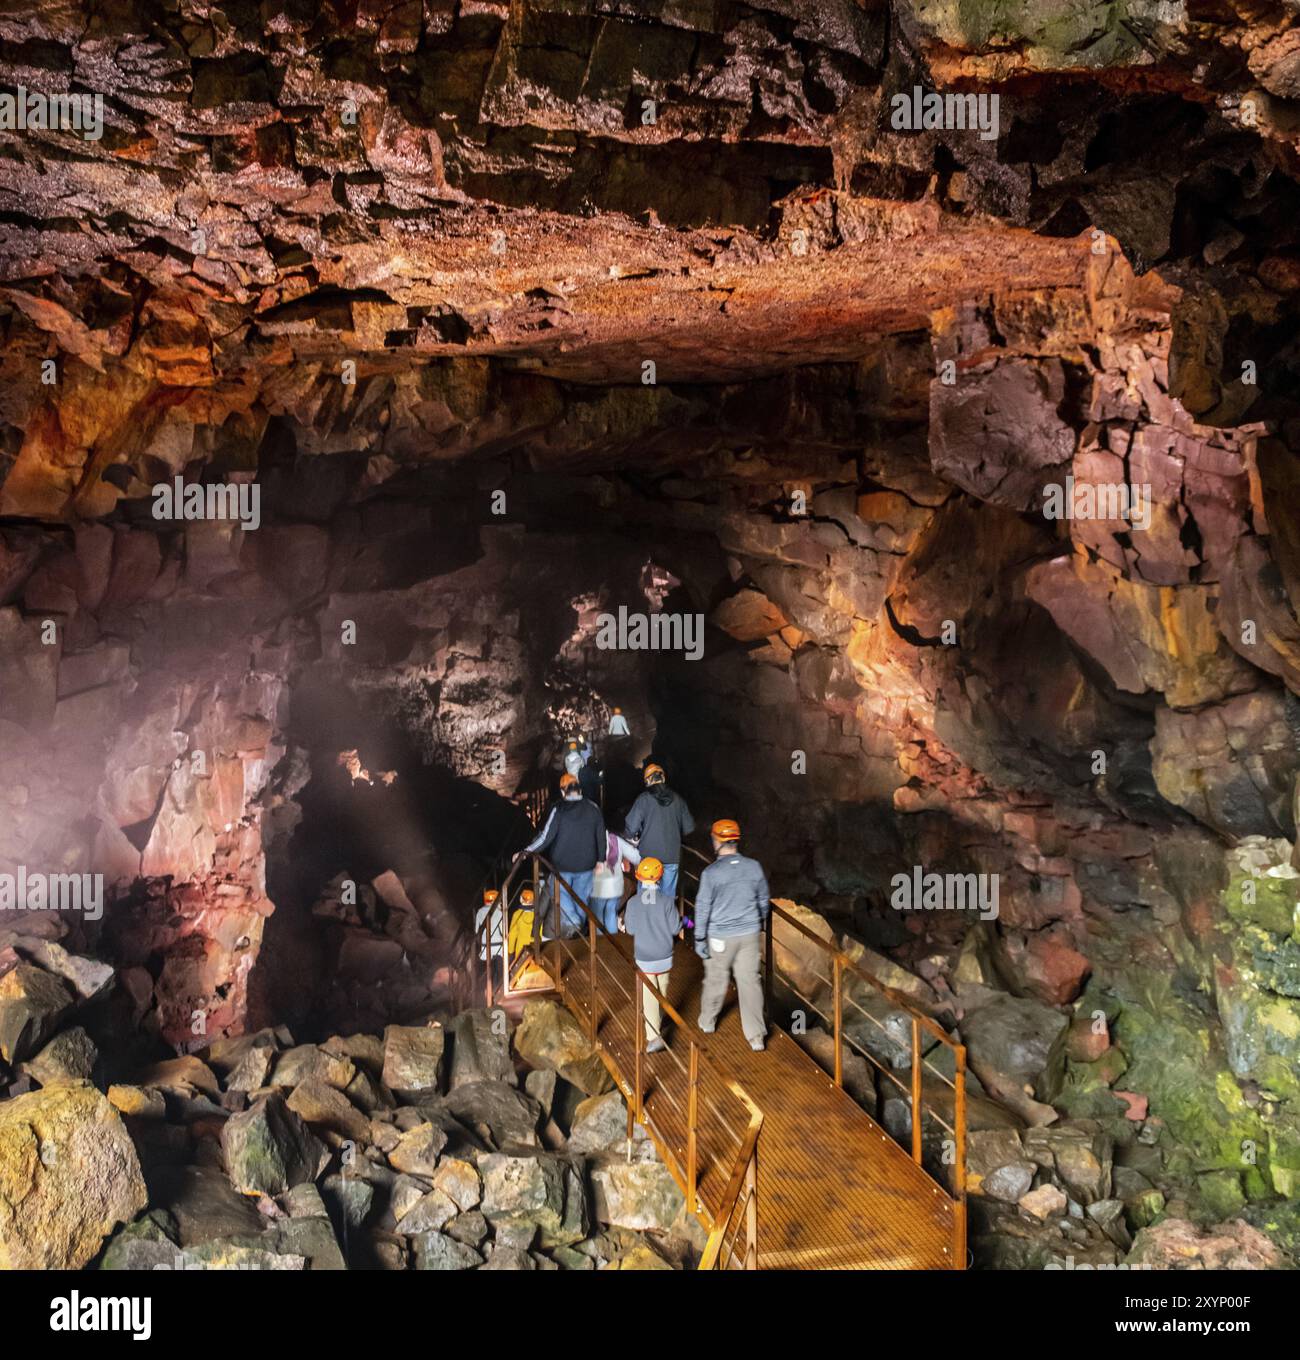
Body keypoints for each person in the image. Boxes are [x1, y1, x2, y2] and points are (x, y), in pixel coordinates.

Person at [694, 819, 770, 1052]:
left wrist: (698, 938)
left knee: (717, 979)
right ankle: (756, 1036)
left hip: (720, 938)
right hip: (749, 934)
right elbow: (763, 900)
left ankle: (707, 1022)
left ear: (717, 841)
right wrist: (759, 920)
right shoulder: (754, 867)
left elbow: (703, 908)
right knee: (750, 982)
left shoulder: (711, 873)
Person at [516, 772, 605, 937]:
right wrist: (601, 860)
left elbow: (545, 837)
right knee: (581, 898)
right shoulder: (593, 808)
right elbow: (600, 835)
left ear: (563, 792)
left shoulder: (559, 809)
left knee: (561, 894)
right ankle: (575, 927)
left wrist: (526, 851)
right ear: (579, 789)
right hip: (586, 865)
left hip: (562, 865)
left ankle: (573, 922)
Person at [621, 856, 679, 1054]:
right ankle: (658, 1019)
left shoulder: (634, 902)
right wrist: (687, 923)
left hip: (644, 957)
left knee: (648, 996)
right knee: (661, 991)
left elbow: (630, 929)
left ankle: (653, 1037)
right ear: (660, 878)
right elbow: (674, 928)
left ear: (639, 878)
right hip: (664, 955)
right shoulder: (667, 901)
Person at [623, 763, 694, 907]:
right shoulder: (678, 800)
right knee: (667, 900)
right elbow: (689, 828)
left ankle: (647, 927)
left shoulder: (643, 799)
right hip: (672, 857)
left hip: (649, 859)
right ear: (663, 777)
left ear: (648, 780)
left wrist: (634, 836)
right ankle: (666, 927)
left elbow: (631, 827)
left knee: (647, 901)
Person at [590, 829, 641, 934]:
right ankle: (613, 943)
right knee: (611, 913)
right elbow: (636, 857)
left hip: (599, 886)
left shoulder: (590, 840)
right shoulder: (615, 839)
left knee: (598, 916)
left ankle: (600, 945)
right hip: (615, 885)